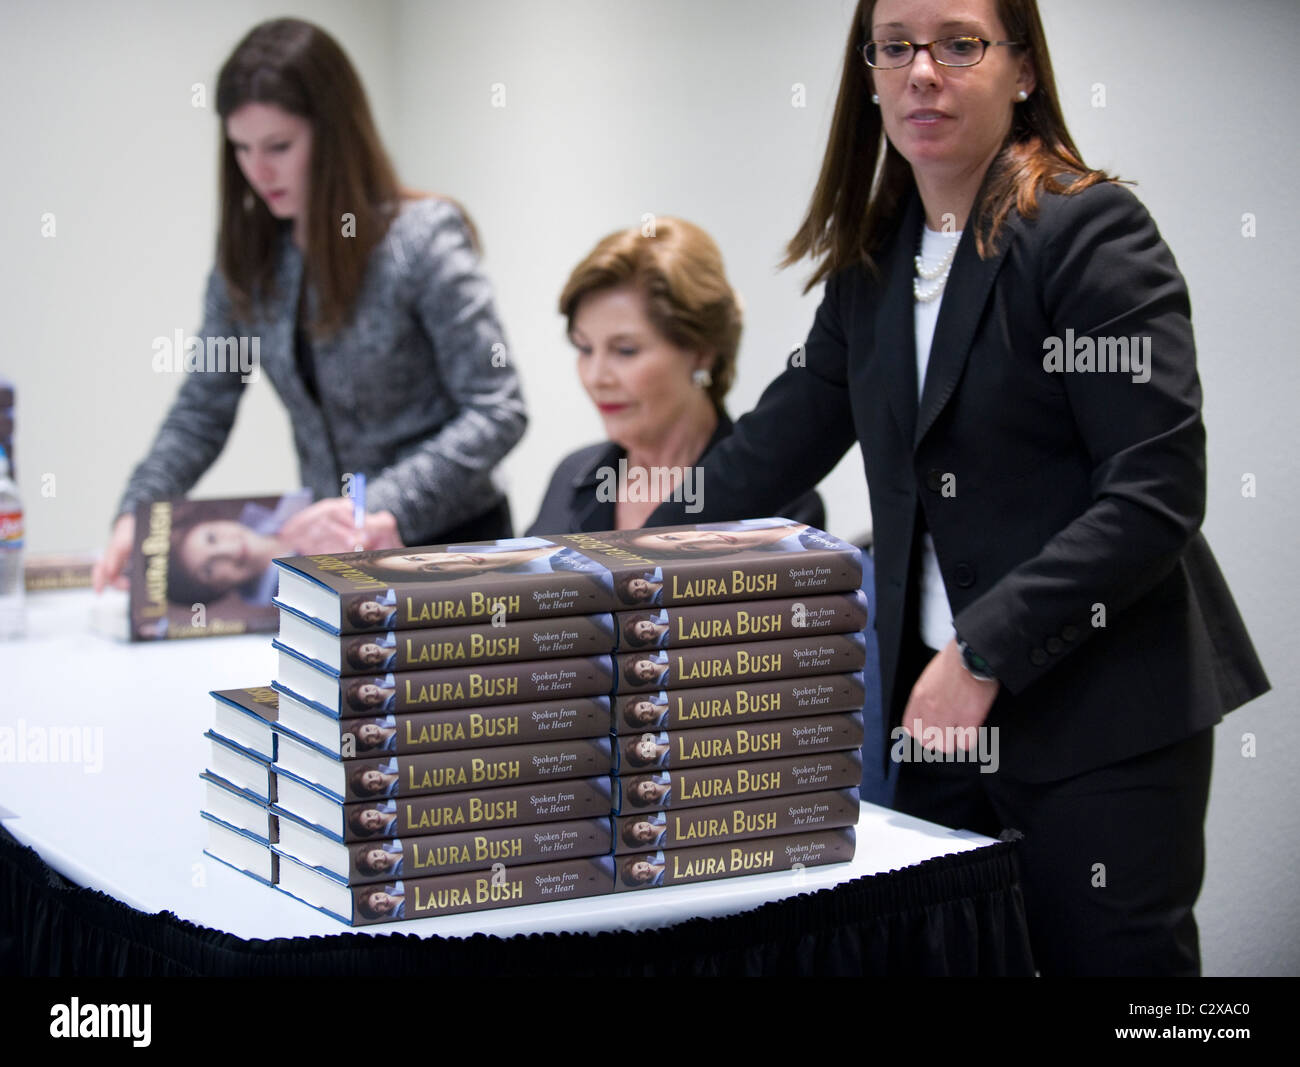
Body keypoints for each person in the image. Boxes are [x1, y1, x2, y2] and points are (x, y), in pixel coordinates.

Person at [645, 0, 1269, 976]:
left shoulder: (1089, 230)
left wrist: (981, 650)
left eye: (957, 43)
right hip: (938, 722)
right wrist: (595, 551)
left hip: (1097, 710)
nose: (920, 71)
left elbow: (1152, 492)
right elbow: (762, 455)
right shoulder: (872, 262)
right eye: (894, 47)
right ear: (869, 75)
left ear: (1021, 69)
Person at [92, 17, 525, 593]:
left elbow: (498, 407)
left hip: (454, 551)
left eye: (279, 146)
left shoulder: (420, 238)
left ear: (334, 134)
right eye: (241, 148)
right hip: (337, 561)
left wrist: (382, 507)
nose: (258, 171)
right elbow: (203, 409)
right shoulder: (249, 256)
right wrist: (137, 513)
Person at [526, 218, 823, 536]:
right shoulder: (572, 477)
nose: (596, 377)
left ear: (701, 351)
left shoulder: (782, 504)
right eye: (584, 348)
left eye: (625, 350)